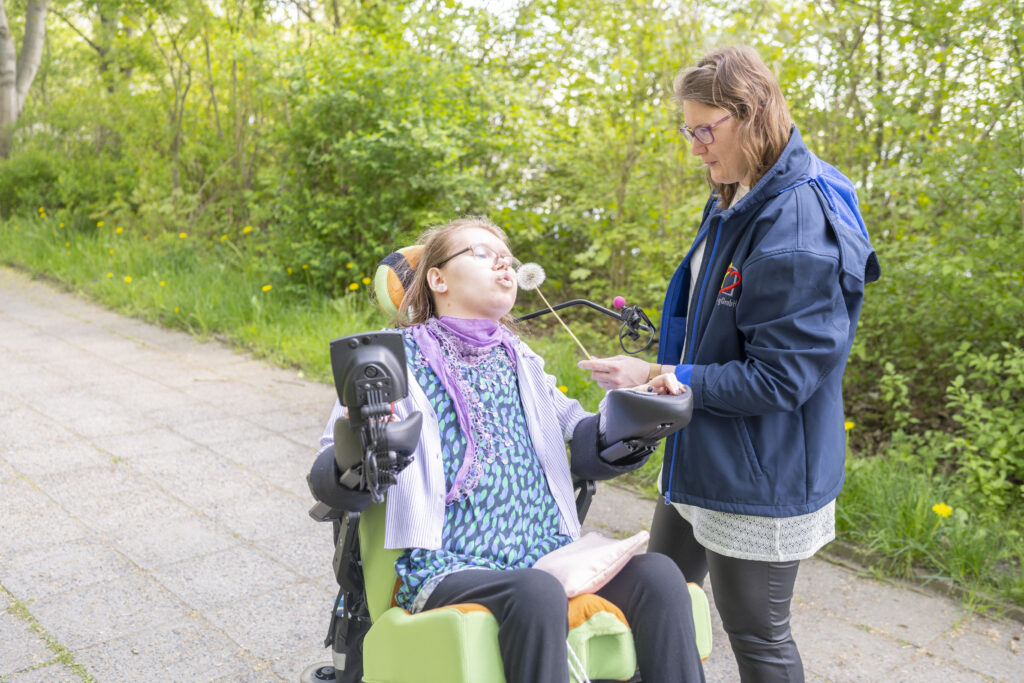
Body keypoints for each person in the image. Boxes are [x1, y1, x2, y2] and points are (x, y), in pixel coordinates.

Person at [579, 46, 880, 682]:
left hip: (760, 470)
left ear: (749, 114)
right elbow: (717, 327)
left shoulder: (798, 224)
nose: (693, 147)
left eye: (703, 130)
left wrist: (670, 378)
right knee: (654, 602)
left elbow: (781, 377)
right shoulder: (739, 189)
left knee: (758, 637)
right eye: (687, 131)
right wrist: (654, 369)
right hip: (706, 452)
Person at [318, 217, 707, 683]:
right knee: (536, 591)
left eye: (507, 255)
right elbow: (329, 471)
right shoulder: (390, 361)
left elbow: (584, 443)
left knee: (661, 576)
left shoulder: (522, 361)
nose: (504, 261)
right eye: (481, 253)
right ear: (437, 279)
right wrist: (359, 452)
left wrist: (641, 412)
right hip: (446, 565)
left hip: (542, 555)